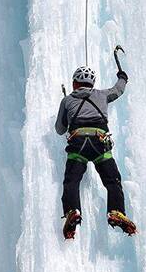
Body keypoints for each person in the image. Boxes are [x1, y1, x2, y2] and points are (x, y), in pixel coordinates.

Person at [55, 64, 138, 239]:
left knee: (72, 181)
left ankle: (72, 211)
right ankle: (116, 211)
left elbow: (60, 129)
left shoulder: (67, 100)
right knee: (113, 182)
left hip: (78, 145)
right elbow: (118, 89)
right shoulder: (102, 95)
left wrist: (68, 110)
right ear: (92, 84)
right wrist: (123, 76)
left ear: (75, 83)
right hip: (99, 144)